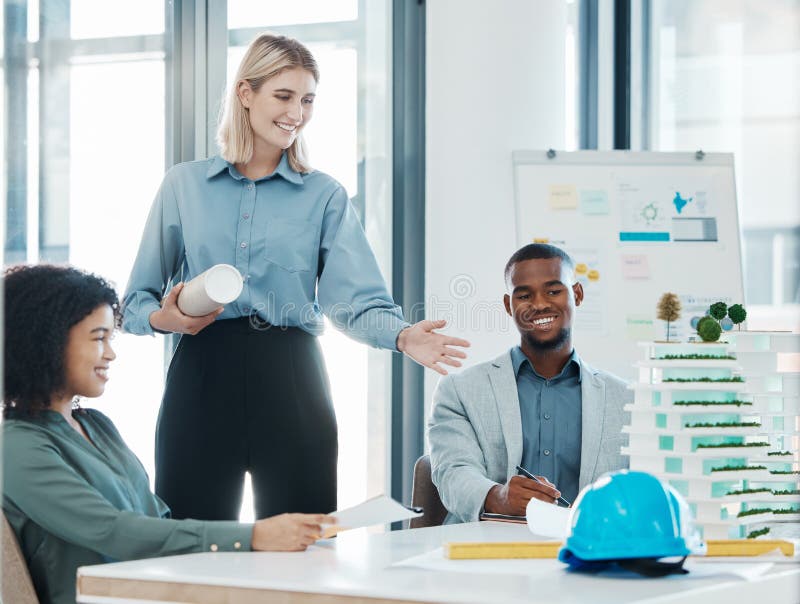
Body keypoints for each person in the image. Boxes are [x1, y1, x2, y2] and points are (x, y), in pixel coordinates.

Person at [122, 32, 469, 521]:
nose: (297, 113)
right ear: (246, 93)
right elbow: (134, 302)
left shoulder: (324, 195)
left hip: (292, 380)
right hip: (200, 376)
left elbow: (353, 302)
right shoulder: (183, 186)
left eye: (307, 100)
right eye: (284, 96)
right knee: (191, 538)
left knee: (303, 543)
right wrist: (165, 319)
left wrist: (402, 335)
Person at [1, 264, 336, 604]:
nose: (111, 353)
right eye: (99, 338)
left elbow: (154, 519)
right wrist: (255, 535)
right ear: (46, 342)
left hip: (151, 593)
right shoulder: (16, 447)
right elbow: (112, 530)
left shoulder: (95, 425)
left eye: (110, 338)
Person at [427, 244, 632, 524]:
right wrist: (498, 496)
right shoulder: (459, 391)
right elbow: (452, 472)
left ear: (577, 294)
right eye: (524, 295)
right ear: (508, 306)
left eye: (553, 291)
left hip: (588, 544)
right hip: (487, 543)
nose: (539, 304)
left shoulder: (625, 399)